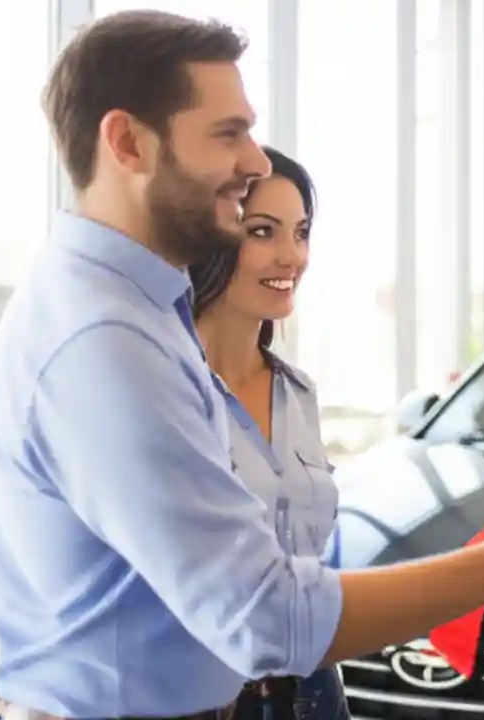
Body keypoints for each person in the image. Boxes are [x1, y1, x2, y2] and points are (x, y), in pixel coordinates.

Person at [0, 10, 484, 719]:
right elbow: (267, 619)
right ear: (128, 143)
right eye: (227, 133)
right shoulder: (104, 341)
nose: (255, 161)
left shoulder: (127, 309)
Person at [188, 146, 347, 719]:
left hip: (312, 688)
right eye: (263, 231)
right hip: (208, 694)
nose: (292, 256)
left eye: (301, 232)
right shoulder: (170, 392)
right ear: (210, 238)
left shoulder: (297, 391)